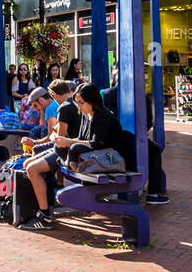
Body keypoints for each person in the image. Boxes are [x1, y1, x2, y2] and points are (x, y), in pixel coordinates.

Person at [21, 82, 123, 230]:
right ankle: (48, 202)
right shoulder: (86, 114)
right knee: (58, 149)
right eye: (77, 102)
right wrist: (64, 142)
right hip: (92, 156)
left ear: (92, 101)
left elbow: (96, 144)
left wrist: (66, 141)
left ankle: (46, 214)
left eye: (81, 103)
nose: (78, 107)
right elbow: (80, 138)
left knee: (41, 163)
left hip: (107, 159)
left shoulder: (103, 117)